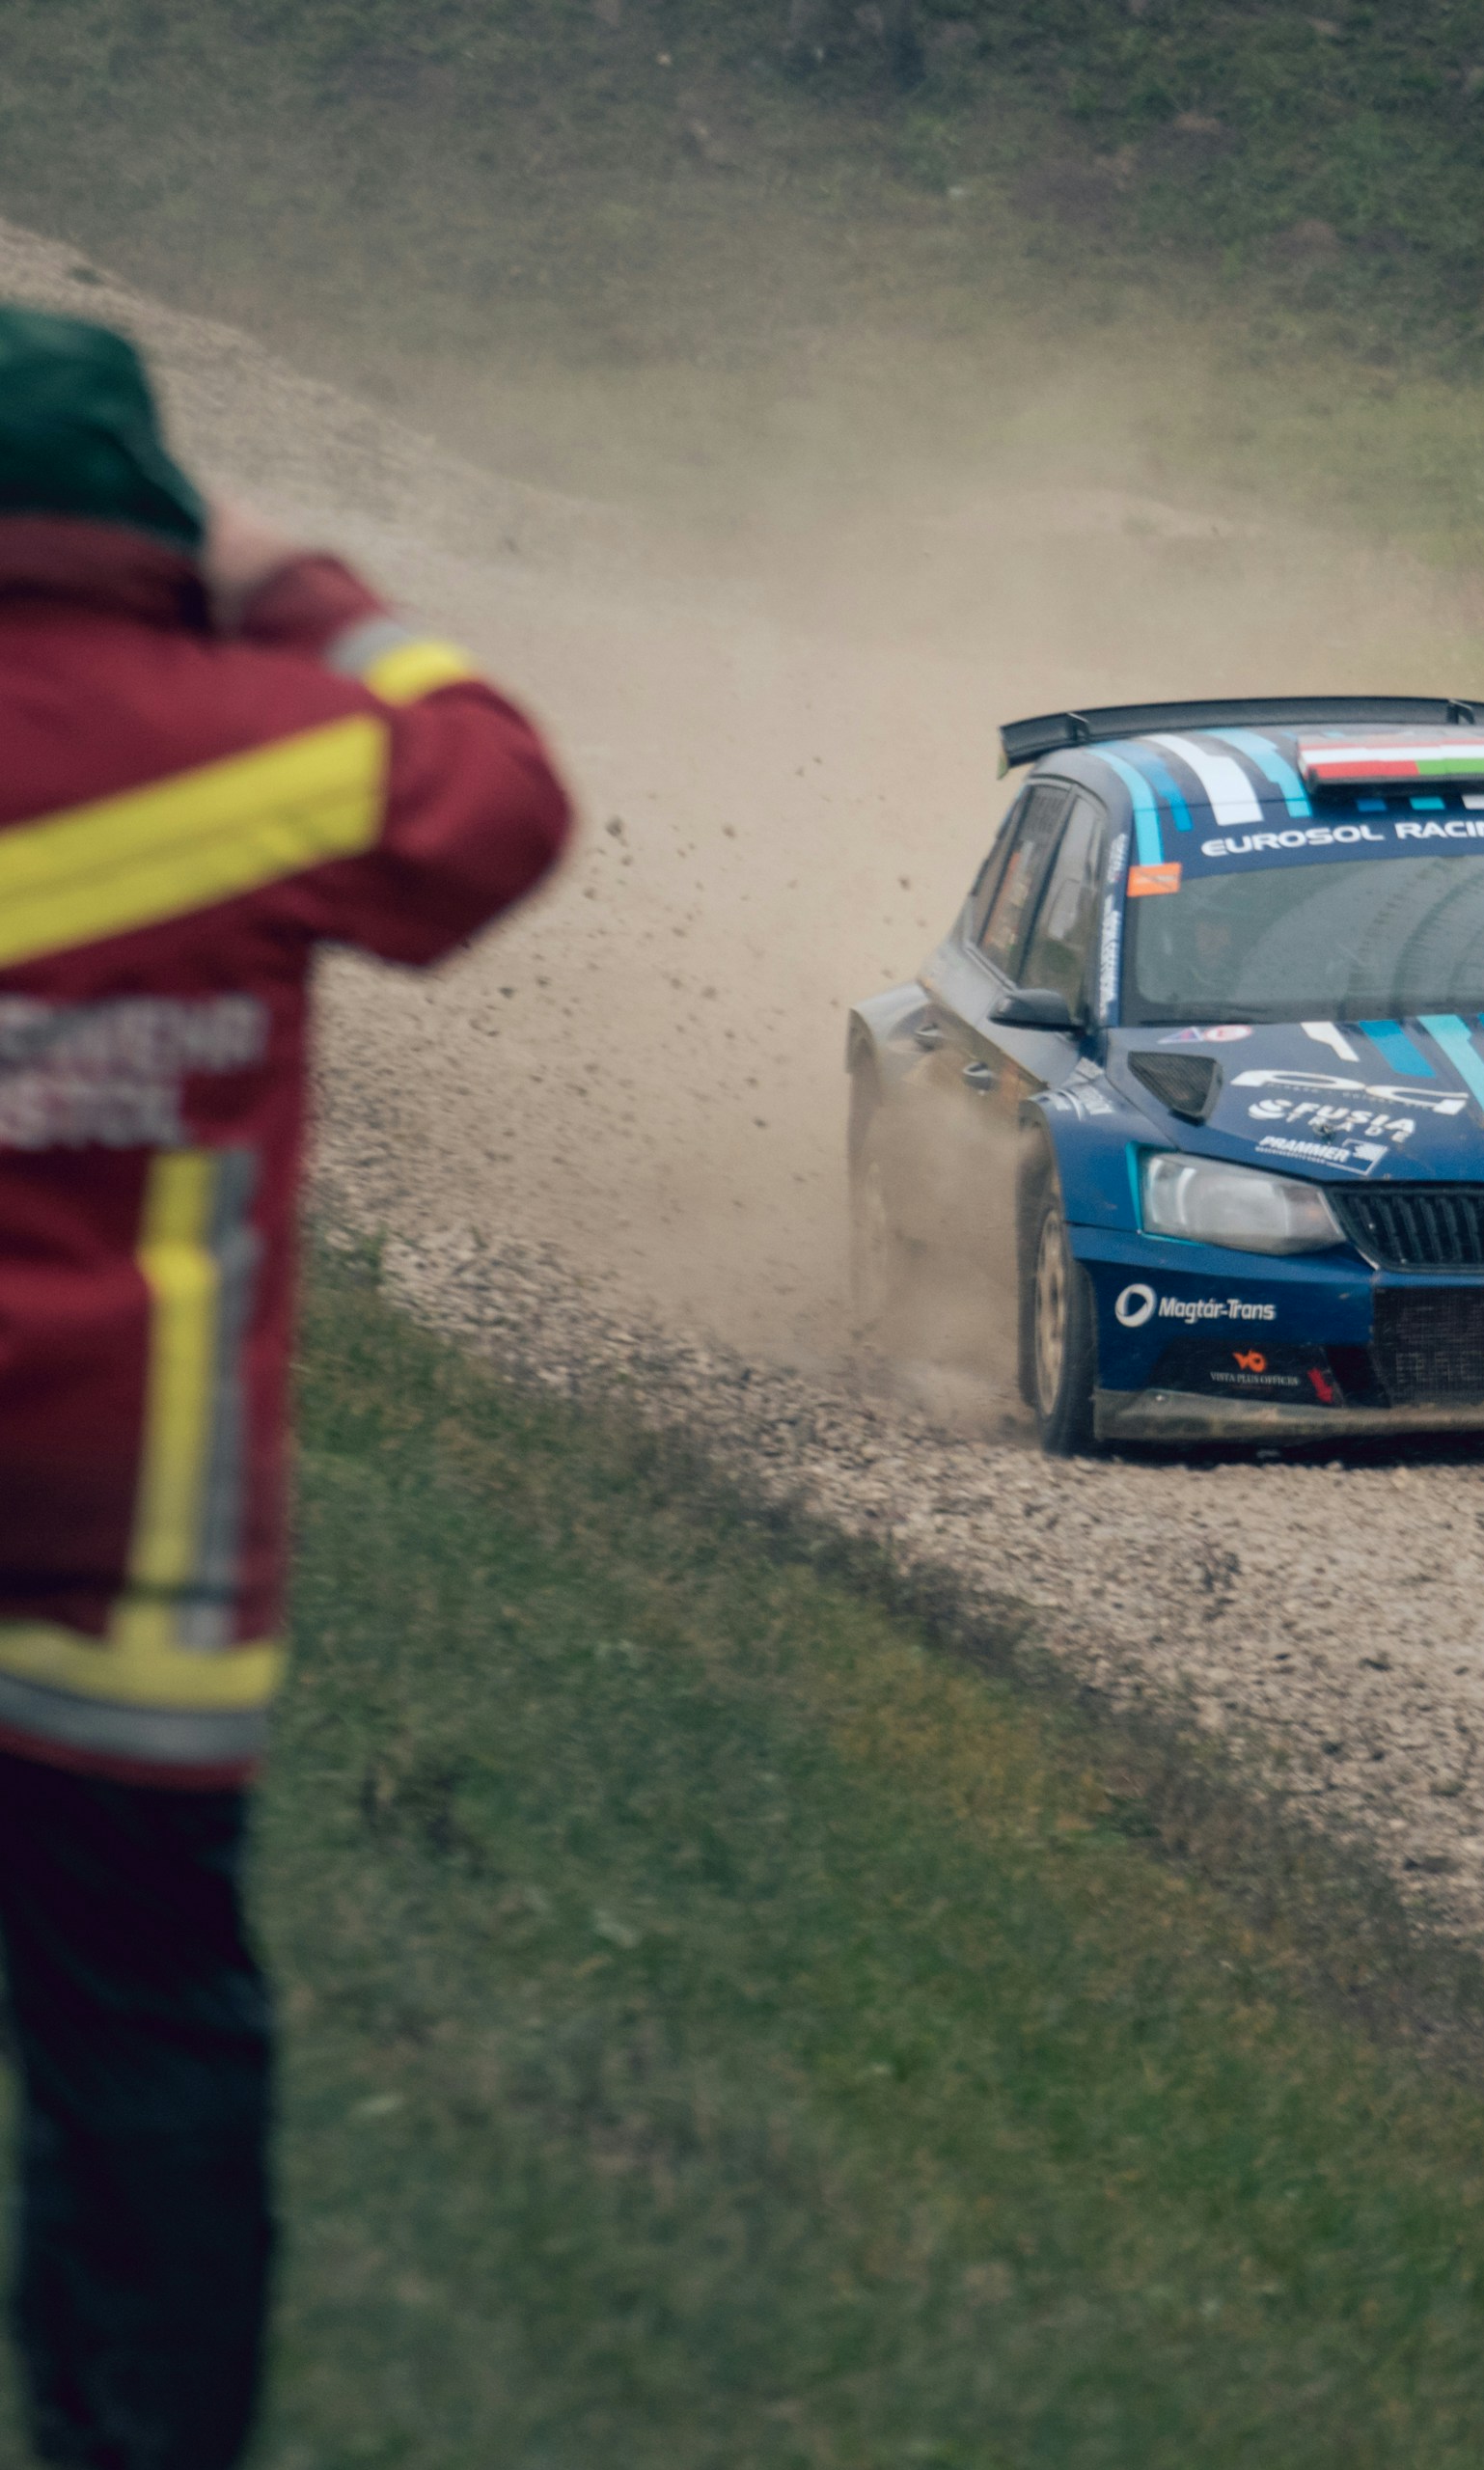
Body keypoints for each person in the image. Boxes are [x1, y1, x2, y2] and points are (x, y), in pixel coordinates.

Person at [0, 306, 572, 2468]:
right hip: (128, 1556)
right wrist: (301, 586)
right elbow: (502, 792)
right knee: (142, 2047)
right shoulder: (263, 751)